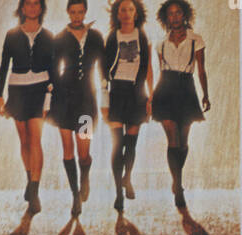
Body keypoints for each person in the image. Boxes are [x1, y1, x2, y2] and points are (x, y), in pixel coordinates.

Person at [0, 0, 54, 215]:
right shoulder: (12, 35)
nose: (32, 7)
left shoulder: (48, 36)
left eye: (35, 4)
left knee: (36, 138)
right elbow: (4, 65)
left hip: (39, 90)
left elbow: (53, 68)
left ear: (40, 8)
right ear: (22, 8)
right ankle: (29, 179)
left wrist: (50, 96)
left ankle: (35, 193)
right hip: (17, 90)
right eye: (28, 4)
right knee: (24, 140)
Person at [49, 0, 105, 218]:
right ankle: (74, 195)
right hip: (63, 99)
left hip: (86, 100)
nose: (76, 15)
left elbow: (103, 67)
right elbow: (53, 70)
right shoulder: (60, 38)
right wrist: (49, 98)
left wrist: (106, 95)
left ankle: (85, 176)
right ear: (68, 13)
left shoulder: (96, 36)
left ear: (85, 12)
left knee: (84, 152)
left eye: (80, 11)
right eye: (73, 12)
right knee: (67, 149)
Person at [152, 2, 210, 209]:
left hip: (186, 89)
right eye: (170, 14)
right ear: (165, 18)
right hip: (165, 89)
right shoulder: (161, 43)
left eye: (178, 13)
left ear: (184, 15)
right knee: (173, 139)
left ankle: (177, 178)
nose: (175, 17)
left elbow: (201, 70)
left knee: (183, 142)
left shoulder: (197, 40)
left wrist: (206, 94)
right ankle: (178, 186)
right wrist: (153, 97)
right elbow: (160, 71)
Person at [102, 0, 153, 213]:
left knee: (131, 144)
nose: (126, 13)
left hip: (137, 92)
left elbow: (148, 68)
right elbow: (103, 71)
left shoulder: (142, 36)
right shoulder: (112, 37)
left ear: (136, 12)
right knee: (117, 144)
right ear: (117, 13)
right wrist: (104, 100)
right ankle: (118, 193)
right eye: (123, 9)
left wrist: (151, 96)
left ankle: (128, 178)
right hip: (116, 92)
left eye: (130, 9)